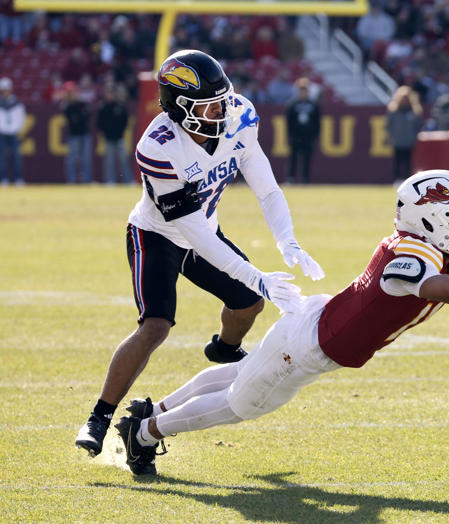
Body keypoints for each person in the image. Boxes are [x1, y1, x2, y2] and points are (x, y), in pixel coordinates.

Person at [112, 169, 449, 475]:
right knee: (242, 403)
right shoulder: (408, 255)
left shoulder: (446, 250)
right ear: (433, 220)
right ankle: (147, 431)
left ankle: (149, 411)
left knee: (238, 377)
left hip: (316, 324)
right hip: (313, 344)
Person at [75, 49, 325, 464]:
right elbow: (191, 231)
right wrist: (256, 274)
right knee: (156, 326)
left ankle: (225, 349)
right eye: (210, 104)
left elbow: (266, 186)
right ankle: (100, 416)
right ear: (179, 107)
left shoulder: (239, 116)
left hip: (202, 228)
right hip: (157, 235)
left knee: (249, 304)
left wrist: (287, 241)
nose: (222, 109)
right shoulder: (158, 147)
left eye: (223, 98)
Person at [285, 78, 320, 184]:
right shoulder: (293, 104)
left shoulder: (313, 104)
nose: (303, 92)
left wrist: (315, 135)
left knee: (307, 159)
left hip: (308, 136)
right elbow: (288, 121)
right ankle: (291, 178)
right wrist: (290, 135)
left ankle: (305, 179)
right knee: (293, 158)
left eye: (305, 90)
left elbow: (317, 121)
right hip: (296, 136)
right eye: (301, 90)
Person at [386, 85, 423, 185]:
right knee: (397, 161)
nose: (404, 100)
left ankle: (407, 180)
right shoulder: (393, 111)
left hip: (409, 141)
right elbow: (389, 125)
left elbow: (418, 126)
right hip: (397, 141)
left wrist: (414, 137)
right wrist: (392, 137)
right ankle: (397, 179)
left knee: (408, 162)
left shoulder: (415, 111)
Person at [96, 84, 132, 185]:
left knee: (124, 161)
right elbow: (99, 123)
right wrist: (105, 132)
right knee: (109, 162)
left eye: (112, 93)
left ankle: (128, 180)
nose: (110, 95)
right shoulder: (102, 107)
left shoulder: (120, 106)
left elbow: (125, 121)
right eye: (108, 93)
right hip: (108, 138)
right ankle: (110, 180)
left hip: (120, 137)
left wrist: (121, 131)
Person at [61, 80, 92, 184]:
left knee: (85, 159)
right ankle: (71, 180)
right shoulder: (67, 106)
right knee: (71, 159)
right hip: (73, 135)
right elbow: (72, 118)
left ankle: (86, 180)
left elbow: (86, 117)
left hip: (84, 134)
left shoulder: (82, 104)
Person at [0, 77, 25, 185]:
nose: (5, 92)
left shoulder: (16, 102)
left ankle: (18, 178)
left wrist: (19, 129)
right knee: (2, 157)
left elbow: (21, 117)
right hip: (2, 132)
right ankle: (4, 178)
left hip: (14, 132)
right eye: (3, 90)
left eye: (6, 89)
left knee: (16, 156)